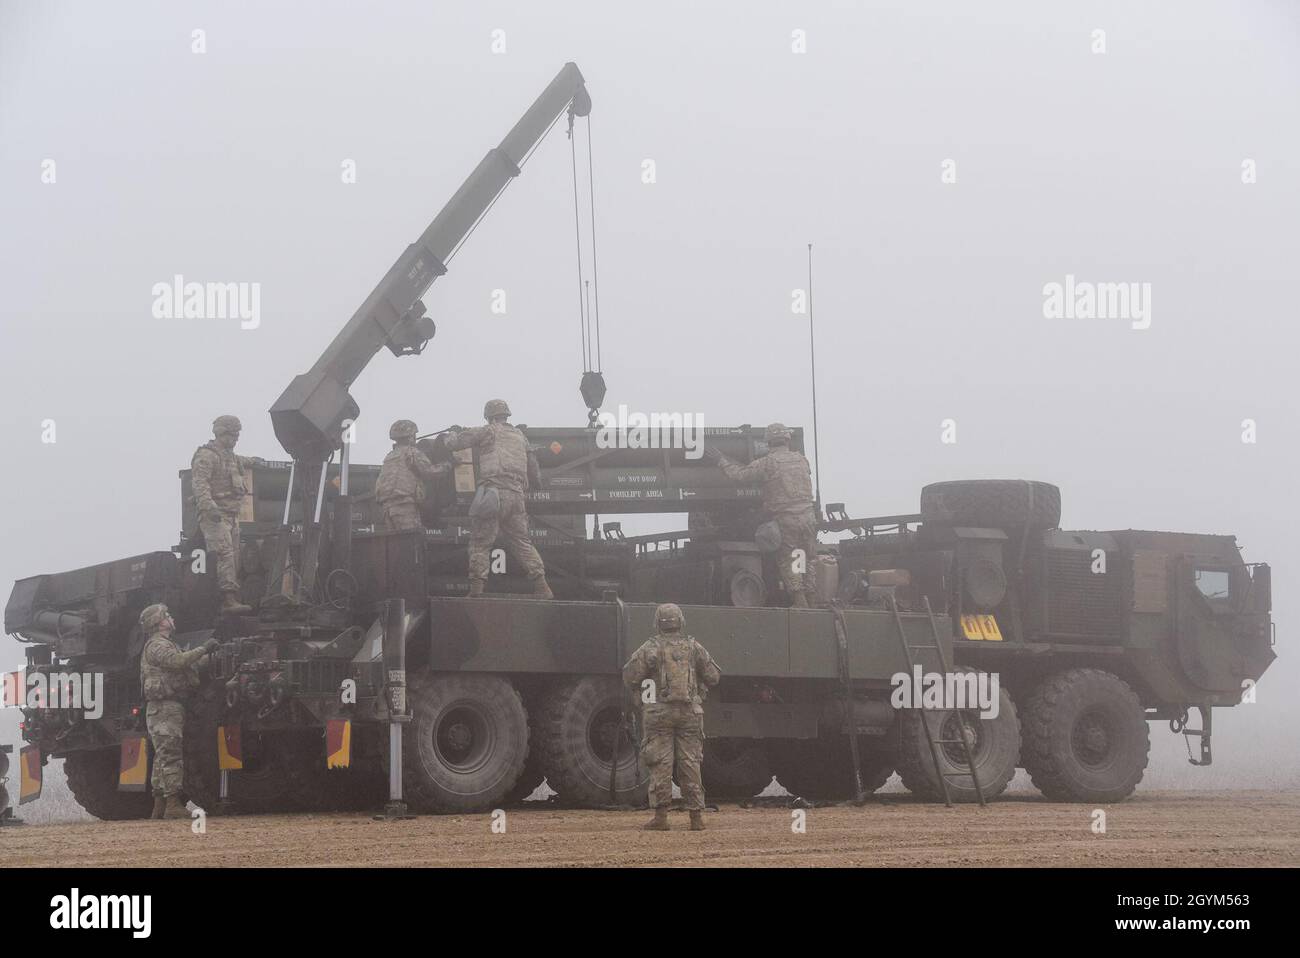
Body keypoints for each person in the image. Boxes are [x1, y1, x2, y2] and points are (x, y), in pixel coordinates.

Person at [622, 603, 721, 831]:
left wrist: (642, 693)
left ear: (658, 623)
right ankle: (696, 817)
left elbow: (630, 675)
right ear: (681, 622)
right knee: (690, 763)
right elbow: (714, 676)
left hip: (659, 714)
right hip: (690, 713)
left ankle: (661, 817)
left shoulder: (651, 648)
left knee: (660, 763)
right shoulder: (693, 646)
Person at [445, 399, 552, 598]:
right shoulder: (520, 436)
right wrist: (536, 483)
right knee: (522, 542)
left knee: (480, 542)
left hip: (493, 493)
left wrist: (453, 432)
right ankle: (542, 586)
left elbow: (453, 443)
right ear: (507, 415)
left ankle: (476, 590)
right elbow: (534, 468)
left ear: (489, 416)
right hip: (517, 496)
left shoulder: (488, 431)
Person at [711, 423, 820, 608]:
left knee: (790, 558)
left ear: (768, 442)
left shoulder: (768, 463)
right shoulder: (802, 460)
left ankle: (800, 601)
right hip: (809, 517)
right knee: (807, 557)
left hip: (787, 519)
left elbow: (739, 475)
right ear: (787, 439)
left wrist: (721, 460)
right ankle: (812, 599)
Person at [138, 603, 219, 820]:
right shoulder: (157, 645)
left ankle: (159, 805)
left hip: (167, 707)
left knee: (162, 757)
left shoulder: (165, 644)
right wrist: (204, 648)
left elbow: (187, 666)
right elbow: (177, 662)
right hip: (165, 707)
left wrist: (209, 658)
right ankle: (173, 804)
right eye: (167, 615)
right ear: (159, 622)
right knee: (171, 756)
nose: (171, 618)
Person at [192, 415, 264, 615]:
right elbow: (200, 485)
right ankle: (228, 600)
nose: (235, 438)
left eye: (237, 434)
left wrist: (254, 461)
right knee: (225, 554)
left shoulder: (229, 456)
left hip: (231, 515)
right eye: (231, 434)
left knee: (236, 556)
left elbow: (239, 461)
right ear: (220, 433)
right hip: (215, 516)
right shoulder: (206, 456)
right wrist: (210, 508)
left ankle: (234, 595)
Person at [375, 419, 444, 532]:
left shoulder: (389, 456)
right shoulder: (412, 452)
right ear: (411, 436)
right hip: (404, 507)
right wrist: (448, 464)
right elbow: (430, 472)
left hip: (387, 510)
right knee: (411, 543)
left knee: (396, 545)